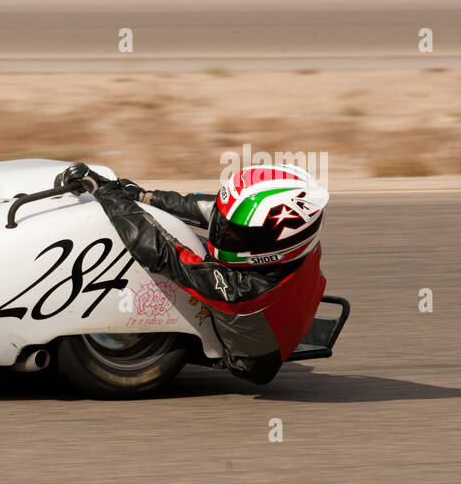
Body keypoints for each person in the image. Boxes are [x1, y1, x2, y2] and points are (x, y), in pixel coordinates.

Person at [58, 162, 329, 385]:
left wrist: (110, 196)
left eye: (236, 234)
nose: (224, 232)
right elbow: (207, 210)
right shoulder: (277, 236)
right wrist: (142, 197)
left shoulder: (246, 289)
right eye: (227, 225)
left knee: (161, 258)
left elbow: (162, 254)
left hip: (251, 358)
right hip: (284, 308)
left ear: (278, 245)